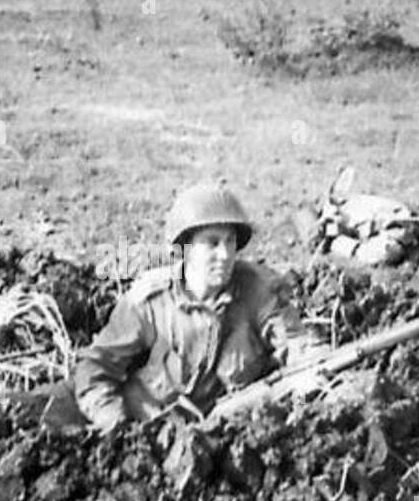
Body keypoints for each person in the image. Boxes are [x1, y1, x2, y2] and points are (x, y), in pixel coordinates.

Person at [73, 183, 322, 432]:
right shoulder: (149, 302)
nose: (224, 255)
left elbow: (303, 357)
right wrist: (116, 428)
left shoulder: (260, 292)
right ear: (186, 249)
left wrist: (300, 407)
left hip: (227, 440)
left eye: (230, 242)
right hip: (147, 431)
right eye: (212, 243)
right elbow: (94, 369)